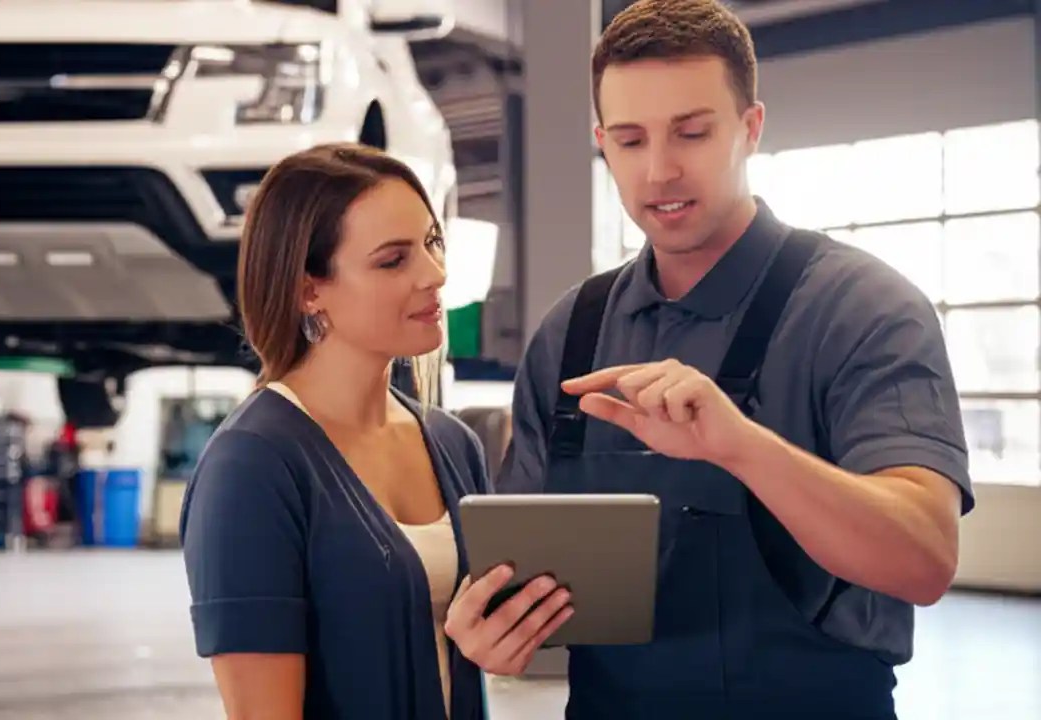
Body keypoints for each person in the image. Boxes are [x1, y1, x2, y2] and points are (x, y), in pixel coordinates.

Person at [442, 1, 975, 718]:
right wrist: (494, 627)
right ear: (601, 143)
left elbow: (924, 559)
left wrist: (742, 448)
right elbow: (520, 571)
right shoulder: (571, 333)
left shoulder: (863, 308)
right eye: (630, 141)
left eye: (691, 133)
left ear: (750, 129)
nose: (659, 171)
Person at [179, 143, 491, 719]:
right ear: (309, 289)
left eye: (431, 243)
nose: (436, 274)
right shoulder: (252, 465)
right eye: (393, 260)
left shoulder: (453, 444)